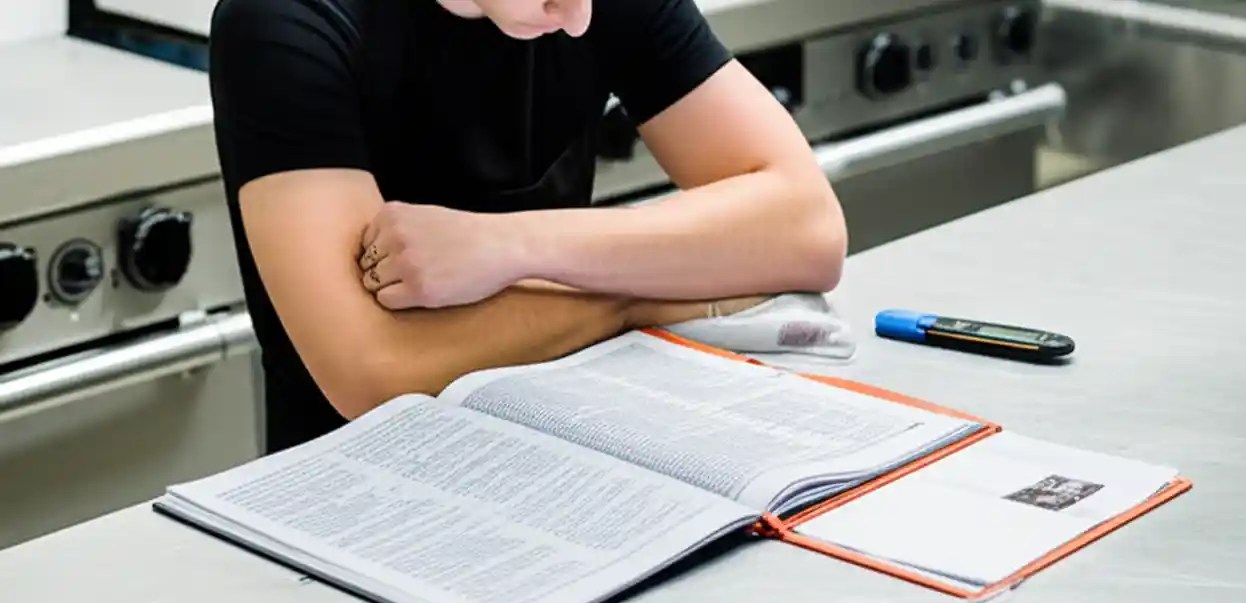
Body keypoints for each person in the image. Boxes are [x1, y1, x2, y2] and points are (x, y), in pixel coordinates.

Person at [209, 0, 848, 454]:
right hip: (349, 498)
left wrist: (515, 248)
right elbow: (376, 368)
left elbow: (809, 227)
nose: (579, 19)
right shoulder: (286, 19)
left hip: (576, 448)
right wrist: (642, 293)